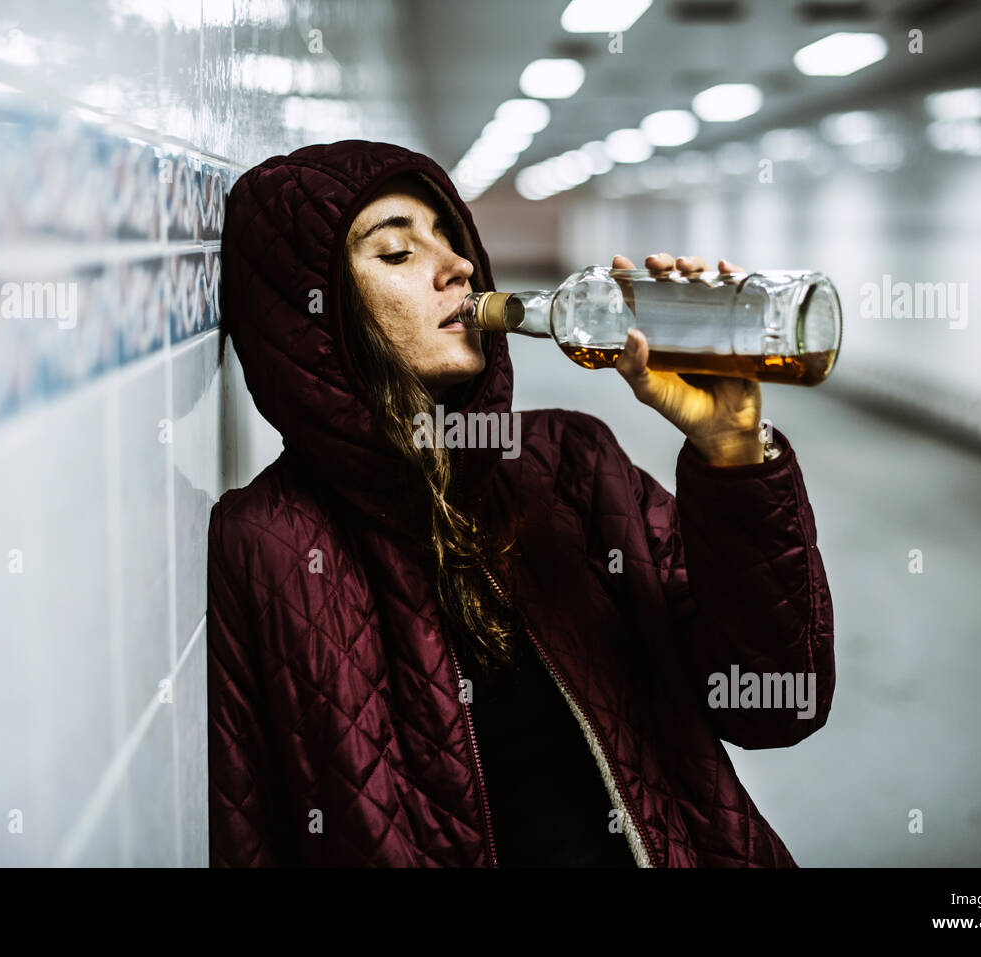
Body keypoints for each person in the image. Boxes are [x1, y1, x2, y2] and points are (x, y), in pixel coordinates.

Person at [209, 139, 835, 867]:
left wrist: (733, 453)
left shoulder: (575, 465)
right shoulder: (268, 547)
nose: (459, 266)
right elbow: (250, 831)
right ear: (312, 309)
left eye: (450, 235)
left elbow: (773, 705)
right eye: (396, 253)